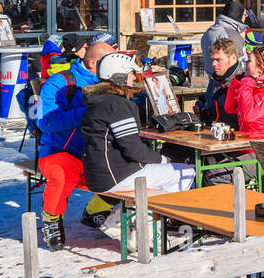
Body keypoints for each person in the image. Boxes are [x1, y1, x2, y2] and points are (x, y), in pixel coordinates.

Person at [81, 52, 196, 203]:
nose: (134, 78)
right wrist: (162, 159)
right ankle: (158, 219)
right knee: (187, 172)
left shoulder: (100, 101)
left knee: (165, 176)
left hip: (99, 174)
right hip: (116, 176)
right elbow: (133, 149)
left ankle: (144, 217)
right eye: (131, 74)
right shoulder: (116, 105)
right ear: (118, 75)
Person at [35, 40, 112, 250]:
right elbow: (45, 121)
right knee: (62, 173)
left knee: (125, 169)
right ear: (93, 63)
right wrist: (87, 113)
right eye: (108, 61)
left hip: (94, 152)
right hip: (59, 152)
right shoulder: (59, 83)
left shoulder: (109, 81)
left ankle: (95, 210)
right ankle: (51, 218)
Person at [198, 37, 244, 128]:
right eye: (212, 60)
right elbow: (213, 112)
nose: (213, 64)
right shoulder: (214, 79)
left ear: (233, 58)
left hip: (234, 135)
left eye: (218, 60)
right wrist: (202, 111)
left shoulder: (242, 82)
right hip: (212, 132)